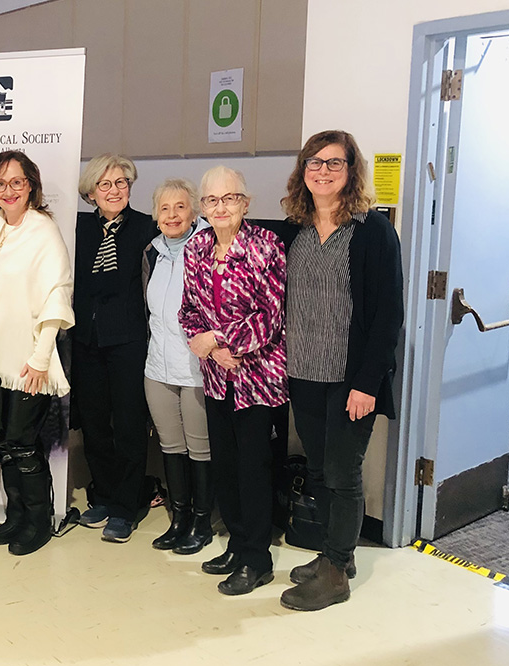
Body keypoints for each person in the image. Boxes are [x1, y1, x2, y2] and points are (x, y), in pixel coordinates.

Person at [277, 130, 403, 612]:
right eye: (315, 162)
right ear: (302, 170)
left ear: (351, 171)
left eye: (335, 163)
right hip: (304, 372)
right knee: (316, 468)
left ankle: (336, 573)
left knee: (343, 472)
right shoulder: (295, 229)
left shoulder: (372, 231)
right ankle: (335, 555)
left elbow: (388, 314)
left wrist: (367, 383)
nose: (323, 171)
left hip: (351, 382)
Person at [178, 165, 287, 596]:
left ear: (245, 202)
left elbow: (271, 317)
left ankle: (257, 558)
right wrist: (201, 342)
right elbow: (188, 309)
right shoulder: (198, 246)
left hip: (256, 378)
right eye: (211, 200)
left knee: (253, 469)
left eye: (229, 199)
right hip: (216, 377)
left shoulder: (266, 246)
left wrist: (221, 341)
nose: (220, 207)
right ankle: (238, 545)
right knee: (225, 465)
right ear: (202, 207)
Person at [0, 150, 74, 556]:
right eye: (0, 183)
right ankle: (15, 516)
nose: (9, 190)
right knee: (7, 442)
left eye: (17, 182)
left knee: (24, 443)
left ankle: (38, 522)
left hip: (29, 360)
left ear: (31, 186)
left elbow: (57, 296)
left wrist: (41, 357)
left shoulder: (43, 231)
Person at [72, 154, 156, 543]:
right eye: (105, 185)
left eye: (121, 183)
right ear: (91, 192)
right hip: (87, 340)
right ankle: (103, 495)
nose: (114, 191)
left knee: (127, 425)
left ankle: (126, 507)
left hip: (129, 340)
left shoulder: (146, 227)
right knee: (94, 424)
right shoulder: (77, 229)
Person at [143, 178, 214, 555]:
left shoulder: (209, 249)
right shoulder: (152, 253)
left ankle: (202, 523)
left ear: (194, 211)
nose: (172, 215)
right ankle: (179, 519)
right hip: (158, 368)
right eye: (165, 208)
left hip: (197, 369)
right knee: (171, 446)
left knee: (199, 449)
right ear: (156, 216)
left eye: (180, 207)